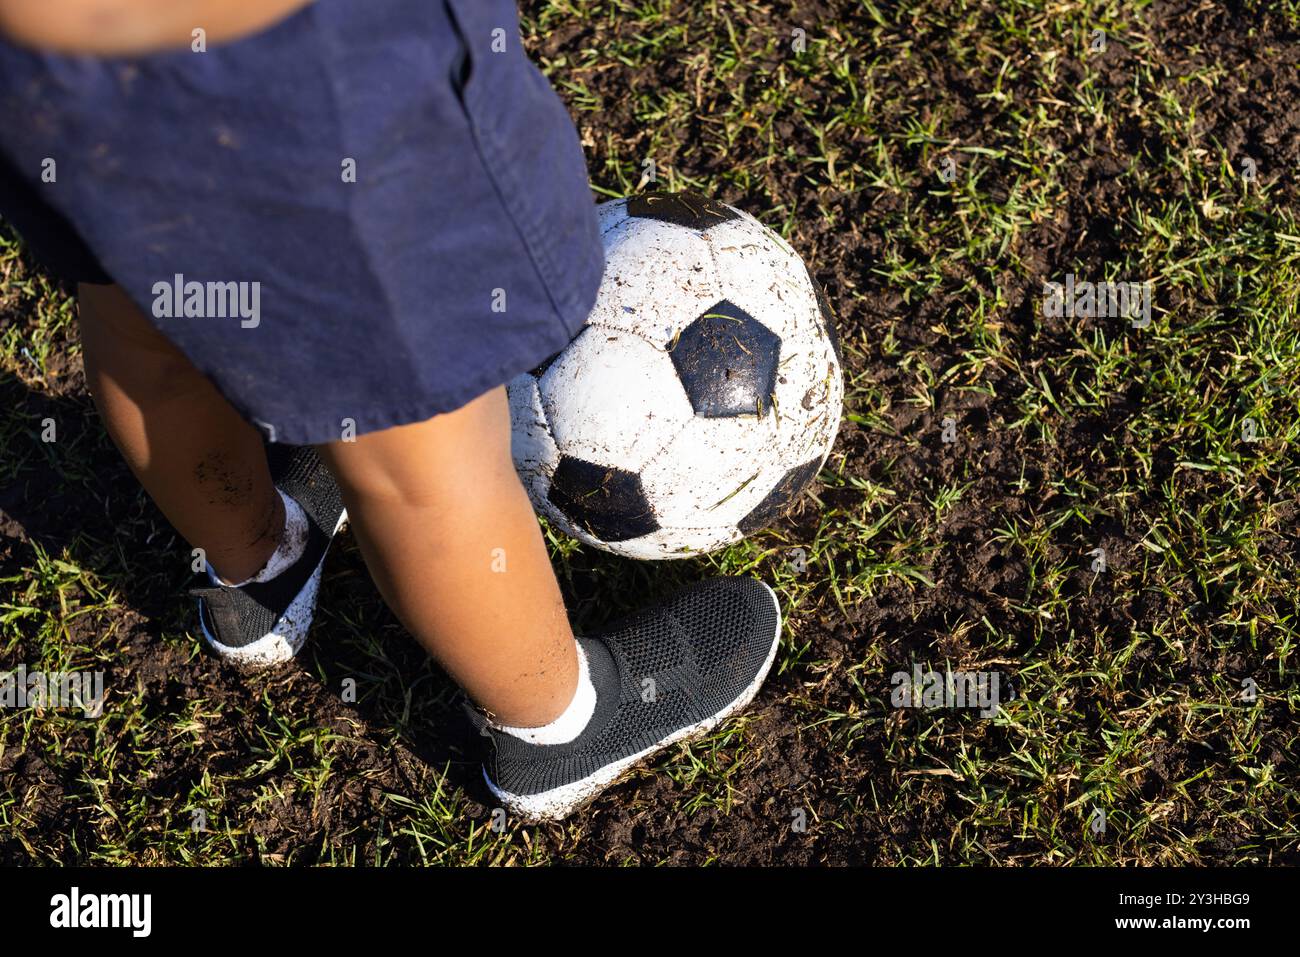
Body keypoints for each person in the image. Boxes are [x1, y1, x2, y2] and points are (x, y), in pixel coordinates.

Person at [0, 0, 782, 820]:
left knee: (143, 324)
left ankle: (255, 573)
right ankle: (556, 725)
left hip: (57, 78)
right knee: (421, 453)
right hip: (301, 73)